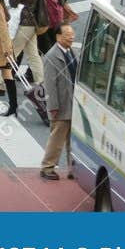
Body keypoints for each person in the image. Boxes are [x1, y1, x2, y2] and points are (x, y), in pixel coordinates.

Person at [39, 23, 77, 180]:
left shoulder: (71, 52)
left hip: (73, 103)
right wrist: (53, 106)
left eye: (72, 34)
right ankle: (47, 168)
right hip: (60, 105)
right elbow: (49, 85)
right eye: (67, 35)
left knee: (72, 140)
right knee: (57, 139)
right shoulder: (51, 56)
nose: (71, 37)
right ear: (58, 37)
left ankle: (73, 169)